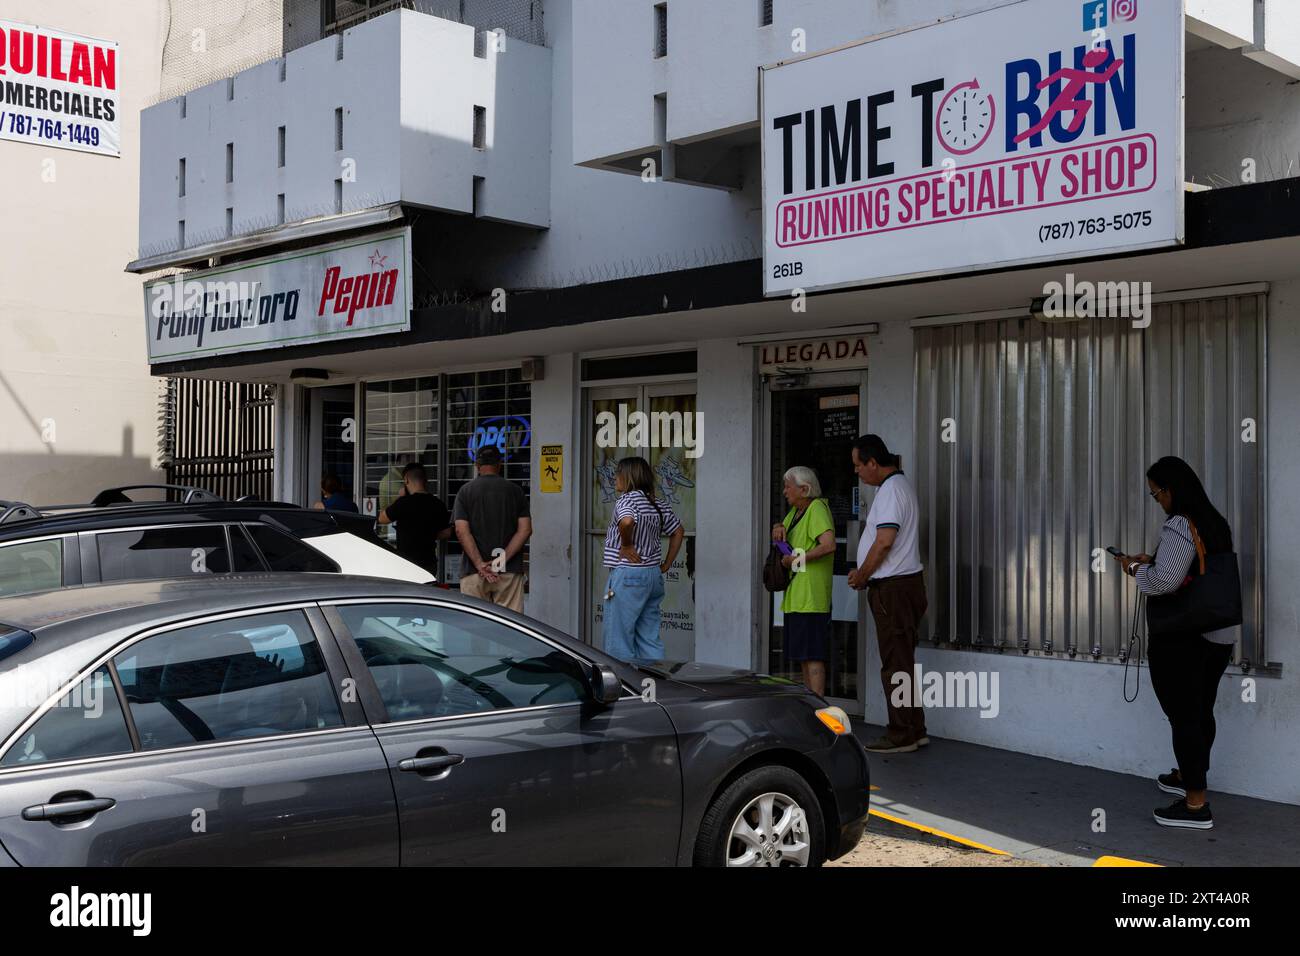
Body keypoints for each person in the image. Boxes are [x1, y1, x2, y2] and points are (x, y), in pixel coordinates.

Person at [1112, 456, 1236, 830]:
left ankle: (1196, 805)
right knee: (1201, 711)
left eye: (1156, 494)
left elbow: (1164, 581)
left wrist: (1135, 568)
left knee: (1184, 716)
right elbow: (1192, 568)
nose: (1158, 501)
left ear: (1171, 489)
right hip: (1218, 634)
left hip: (1185, 640)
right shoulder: (1214, 521)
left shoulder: (1180, 523)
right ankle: (1188, 777)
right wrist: (1155, 559)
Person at [848, 434, 928, 754]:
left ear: (872, 462)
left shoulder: (892, 490)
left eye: (858, 465)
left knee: (895, 664)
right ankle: (914, 727)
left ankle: (901, 733)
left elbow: (884, 541)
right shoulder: (896, 487)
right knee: (903, 661)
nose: (857, 472)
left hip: (893, 587)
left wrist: (863, 575)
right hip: (904, 585)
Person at [602, 456, 685, 661]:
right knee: (649, 637)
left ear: (628, 477)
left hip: (628, 575)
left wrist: (628, 544)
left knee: (618, 639)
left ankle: (623, 687)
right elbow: (678, 531)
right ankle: (655, 684)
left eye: (618, 474)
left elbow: (627, 521)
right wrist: (667, 563)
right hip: (652, 575)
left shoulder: (627, 500)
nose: (615, 479)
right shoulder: (656, 503)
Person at [770, 466, 836, 696]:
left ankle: (818, 709)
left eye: (788, 486)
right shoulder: (796, 512)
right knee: (804, 657)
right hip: (797, 597)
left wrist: (798, 560)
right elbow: (783, 530)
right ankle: (811, 707)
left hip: (811, 597)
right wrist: (778, 528)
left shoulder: (816, 508)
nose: (785, 491)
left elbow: (828, 545)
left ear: (804, 489)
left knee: (813, 656)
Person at [453, 445, 532, 612]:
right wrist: (501, 560)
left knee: (473, 627)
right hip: (508, 571)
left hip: (473, 572)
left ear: (477, 465)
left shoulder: (465, 491)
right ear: (500, 465)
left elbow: (461, 530)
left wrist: (480, 564)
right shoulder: (515, 491)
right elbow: (525, 530)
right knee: (510, 625)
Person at [378, 462, 451, 578]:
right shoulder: (438, 504)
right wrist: (428, 534)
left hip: (406, 563)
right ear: (425, 480)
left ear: (406, 479)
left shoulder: (403, 503)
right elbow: (447, 532)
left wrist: (399, 497)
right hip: (429, 562)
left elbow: (382, 519)